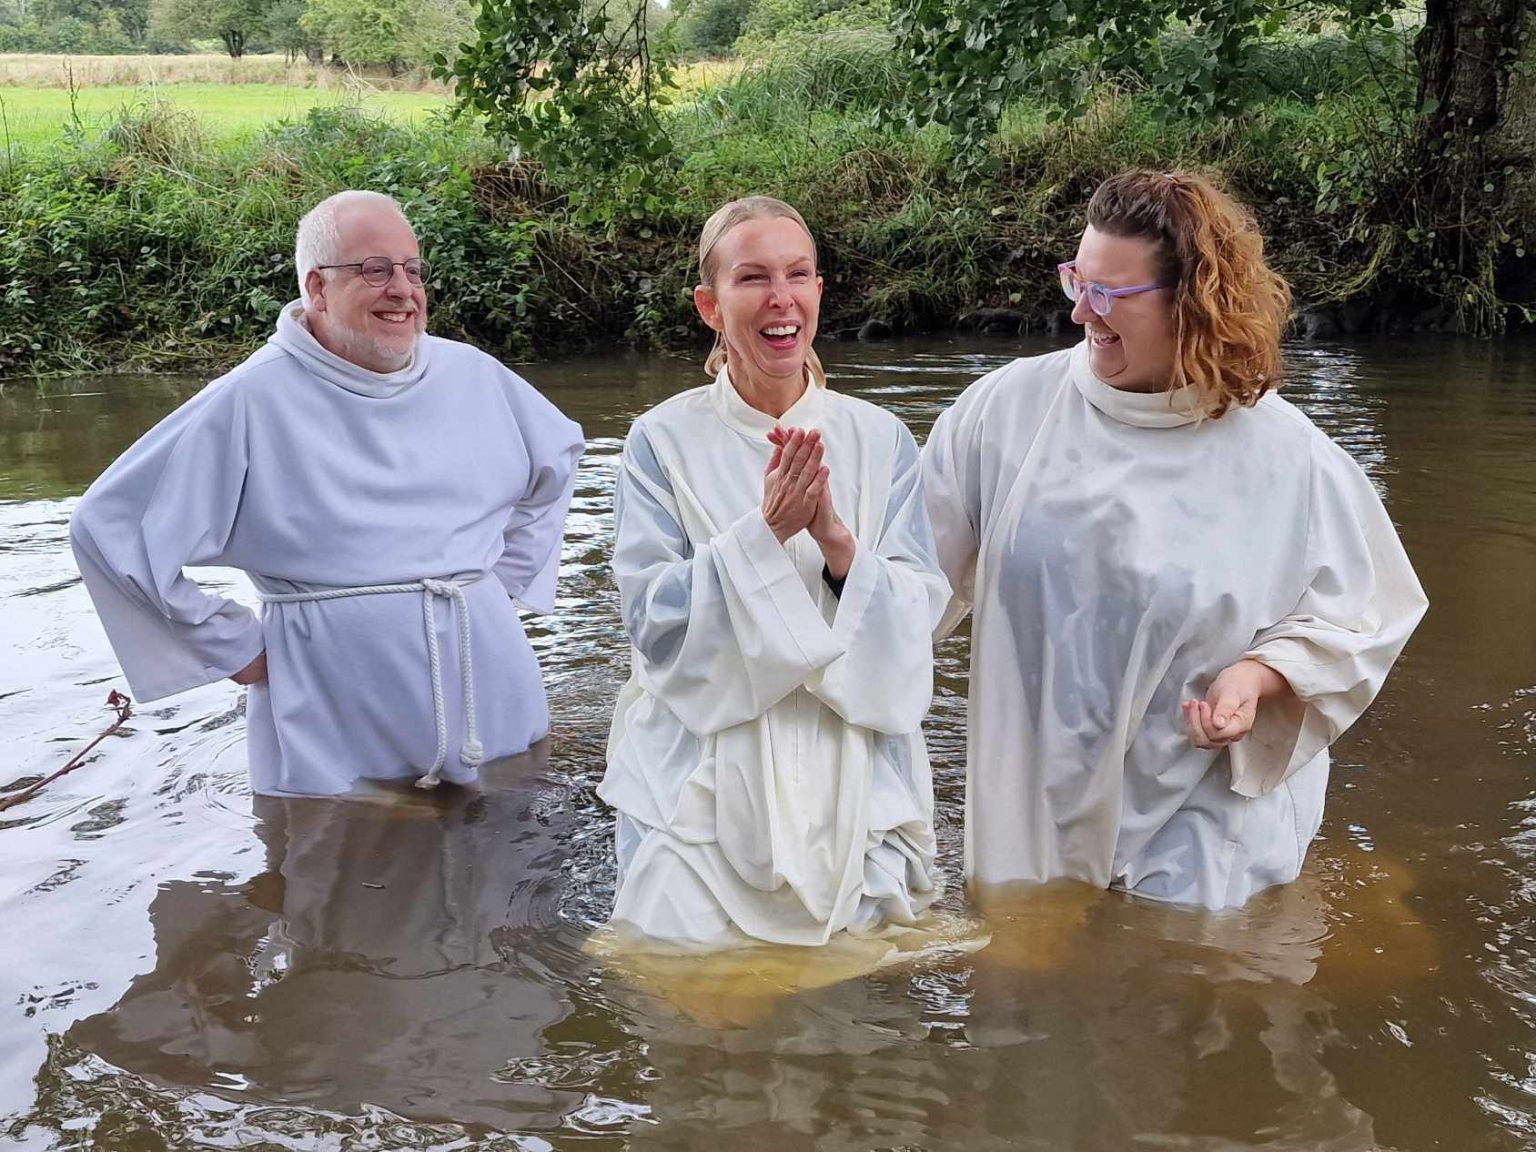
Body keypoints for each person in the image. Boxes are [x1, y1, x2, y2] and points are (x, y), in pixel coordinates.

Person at [921, 169, 1428, 909]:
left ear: (1193, 304)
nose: (1080, 315)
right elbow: (907, 586)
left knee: (1188, 988)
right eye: (1076, 281)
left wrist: (1261, 677)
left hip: (1204, 808)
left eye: (1109, 295)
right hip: (1038, 793)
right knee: (1036, 997)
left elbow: (1364, 615)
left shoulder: (1284, 453)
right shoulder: (1004, 415)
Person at [70, 190, 584, 797]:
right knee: (350, 866)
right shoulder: (252, 399)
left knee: (511, 853)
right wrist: (230, 646)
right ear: (317, 287)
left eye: (412, 270)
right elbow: (108, 529)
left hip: (488, 681)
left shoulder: (473, 375)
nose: (402, 289)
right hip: (334, 701)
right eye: (375, 270)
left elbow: (558, 458)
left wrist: (500, 583)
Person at [598, 196, 951, 947]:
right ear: (710, 306)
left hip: (849, 754)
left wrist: (837, 545)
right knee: (677, 977)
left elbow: (919, 612)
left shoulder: (880, 438)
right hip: (705, 763)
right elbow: (653, 620)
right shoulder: (660, 441)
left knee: (867, 995)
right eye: (753, 277)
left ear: (820, 292)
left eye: (799, 275)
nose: (780, 297)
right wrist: (762, 537)